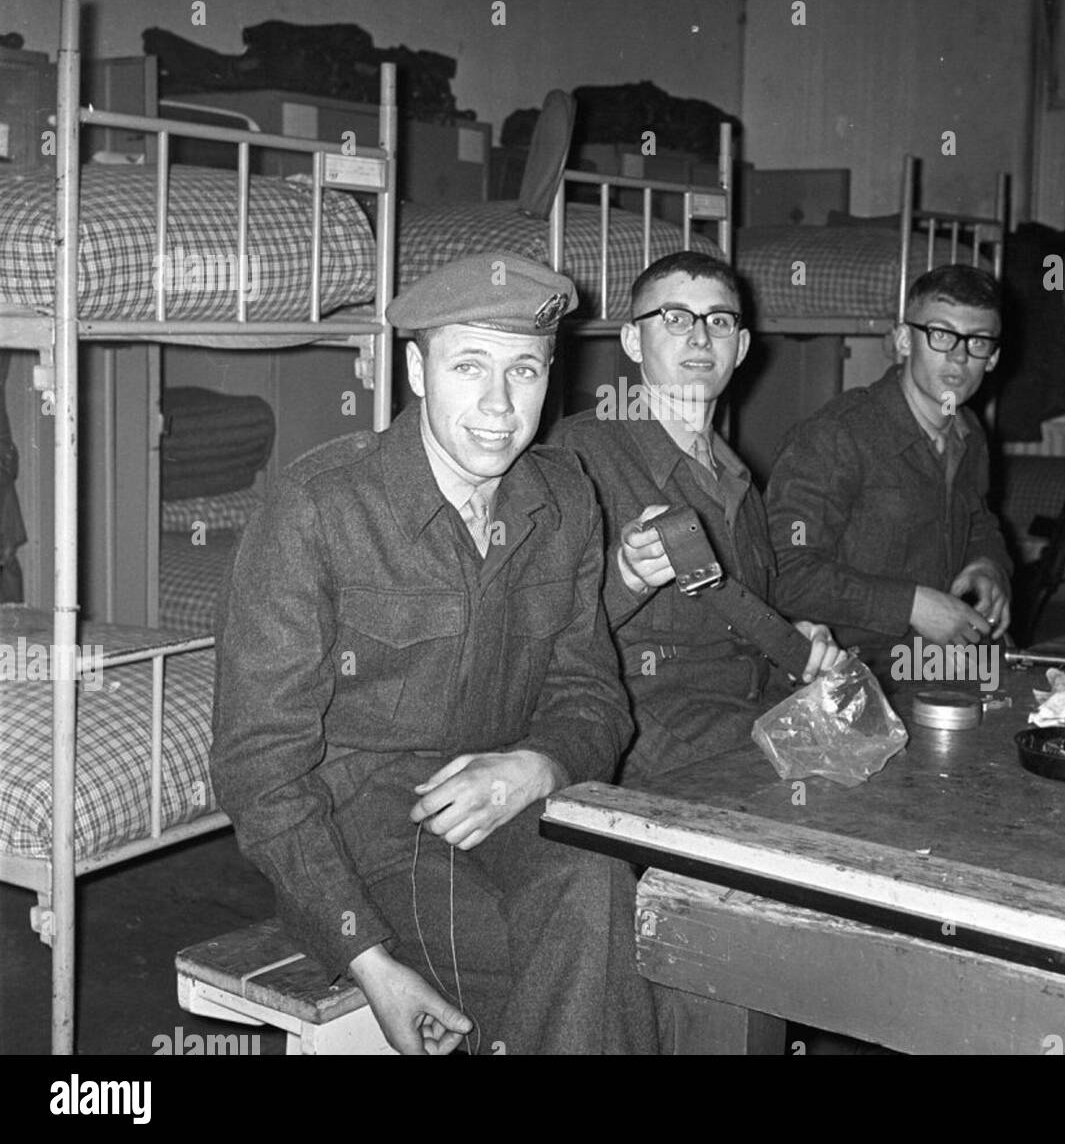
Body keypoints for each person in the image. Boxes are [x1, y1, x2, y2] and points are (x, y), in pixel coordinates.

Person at [211, 252, 657, 1056]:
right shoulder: (319, 509)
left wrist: (537, 765)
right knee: (596, 964)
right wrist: (368, 959)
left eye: (524, 369)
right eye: (469, 365)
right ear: (416, 368)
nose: (498, 404)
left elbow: (593, 696)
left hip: (509, 806)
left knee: (612, 897)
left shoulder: (563, 498)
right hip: (359, 835)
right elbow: (258, 763)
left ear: (550, 376)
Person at [552, 251, 843, 781]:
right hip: (644, 736)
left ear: (742, 346)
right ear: (633, 341)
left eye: (719, 321)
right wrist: (627, 577)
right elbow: (538, 629)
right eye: (676, 318)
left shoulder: (739, 479)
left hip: (747, 716)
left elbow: (736, 616)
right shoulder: (577, 455)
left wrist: (793, 638)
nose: (701, 338)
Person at [765, 265, 1012, 669]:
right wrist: (912, 606)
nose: (959, 355)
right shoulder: (835, 436)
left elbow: (979, 522)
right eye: (941, 334)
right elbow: (784, 572)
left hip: (945, 661)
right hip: (853, 670)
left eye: (978, 341)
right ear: (903, 339)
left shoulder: (969, 434)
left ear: (994, 357)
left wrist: (988, 566)